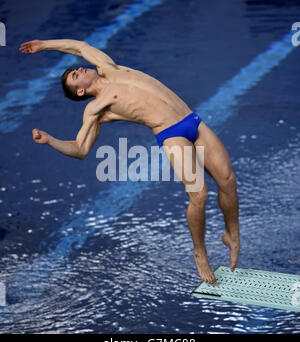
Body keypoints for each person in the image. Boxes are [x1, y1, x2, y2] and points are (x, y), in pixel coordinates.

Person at [19, 39, 240, 284]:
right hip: (170, 134)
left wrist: (43, 45)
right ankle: (199, 252)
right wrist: (51, 140)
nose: (79, 69)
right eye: (74, 76)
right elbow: (81, 149)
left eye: (76, 69)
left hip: (191, 120)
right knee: (199, 195)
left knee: (227, 180)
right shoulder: (96, 109)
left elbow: (80, 47)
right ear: (80, 91)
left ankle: (231, 234)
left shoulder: (108, 67)